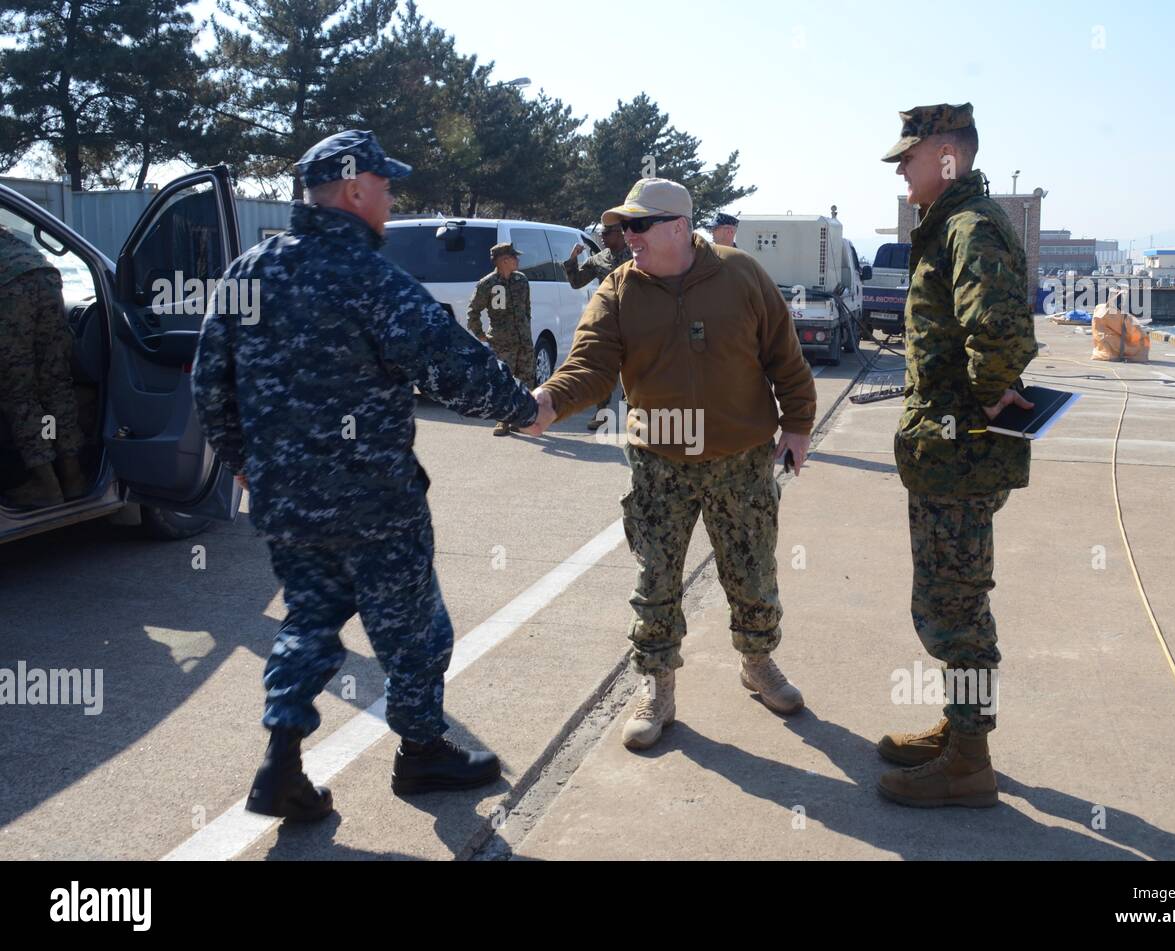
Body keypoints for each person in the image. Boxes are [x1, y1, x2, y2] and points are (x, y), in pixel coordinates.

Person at [192, 130, 538, 822]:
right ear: (354, 190)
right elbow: (451, 364)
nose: (391, 195)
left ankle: (281, 762)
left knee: (309, 620)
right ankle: (422, 754)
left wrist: (245, 461)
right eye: (384, 184)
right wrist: (522, 405)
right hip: (375, 504)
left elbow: (209, 382)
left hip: (290, 504)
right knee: (416, 629)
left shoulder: (248, 271)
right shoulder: (369, 277)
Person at [522, 178, 817, 751]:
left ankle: (758, 663)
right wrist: (550, 401)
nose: (625, 236)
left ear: (679, 227)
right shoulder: (617, 290)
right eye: (622, 227)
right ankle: (658, 687)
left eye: (638, 225)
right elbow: (591, 365)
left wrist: (799, 424)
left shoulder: (742, 275)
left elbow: (785, 353)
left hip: (741, 456)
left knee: (752, 570)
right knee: (655, 578)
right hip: (660, 459)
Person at [874, 103, 1038, 808]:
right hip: (945, 455)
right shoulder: (951, 223)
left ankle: (970, 763)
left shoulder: (969, 228)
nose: (901, 169)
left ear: (945, 153)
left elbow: (997, 328)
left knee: (955, 607)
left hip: (960, 455)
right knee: (951, 599)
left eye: (907, 157)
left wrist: (996, 389)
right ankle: (962, 727)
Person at [0, 225, 88, 507]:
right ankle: (72, 478)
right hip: (44, 273)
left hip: (9, 284)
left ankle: (46, 487)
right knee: (56, 384)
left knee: (18, 391)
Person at [563, 224, 633, 431]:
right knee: (604, 366)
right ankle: (602, 414)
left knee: (632, 367)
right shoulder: (598, 259)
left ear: (620, 234)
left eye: (606, 233)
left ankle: (631, 415)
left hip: (633, 318)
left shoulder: (637, 255)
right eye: (601, 234)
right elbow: (577, 282)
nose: (602, 237)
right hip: (608, 319)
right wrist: (572, 259)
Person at [467, 243, 535, 435]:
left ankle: (521, 420)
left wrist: (526, 328)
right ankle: (502, 421)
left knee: (526, 380)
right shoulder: (487, 284)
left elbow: (527, 308)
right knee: (503, 381)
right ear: (504, 260)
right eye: (514, 257)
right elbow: (473, 312)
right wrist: (481, 335)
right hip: (502, 342)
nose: (518, 260)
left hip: (524, 341)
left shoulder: (522, 280)